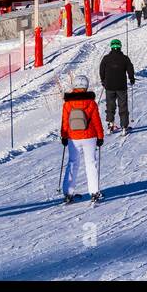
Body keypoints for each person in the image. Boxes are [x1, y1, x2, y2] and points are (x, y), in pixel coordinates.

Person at [60, 75, 105, 203]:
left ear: (74, 86)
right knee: (91, 163)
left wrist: (64, 136)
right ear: (86, 86)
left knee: (72, 163)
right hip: (89, 136)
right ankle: (94, 192)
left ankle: (68, 193)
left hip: (73, 137)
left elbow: (64, 122)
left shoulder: (67, 104)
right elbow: (96, 121)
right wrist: (100, 136)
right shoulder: (91, 103)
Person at [98, 38, 136, 133]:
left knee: (110, 105)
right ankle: (124, 127)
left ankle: (110, 125)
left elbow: (101, 70)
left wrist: (103, 80)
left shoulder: (106, 58)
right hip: (121, 86)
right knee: (122, 105)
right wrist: (131, 79)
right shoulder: (125, 58)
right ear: (120, 47)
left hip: (109, 86)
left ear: (111, 47)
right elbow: (130, 69)